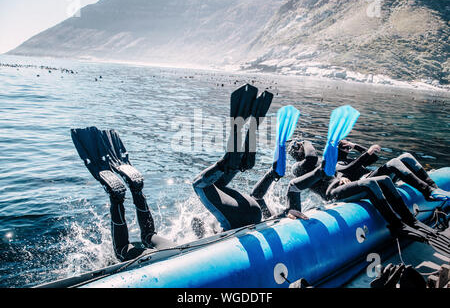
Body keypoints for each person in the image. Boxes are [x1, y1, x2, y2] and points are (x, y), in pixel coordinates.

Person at [284, 138, 450, 257]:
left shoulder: (323, 162)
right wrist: (303, 140)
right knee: (371, 183)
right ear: (296, 153)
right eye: (298, 147)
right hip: (333, 193)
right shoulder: (299, 167)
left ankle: (410, 220)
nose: (303, 148)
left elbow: (338, 170)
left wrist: (347, 162)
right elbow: (313, 158)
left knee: (384, 179)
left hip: (342, 186)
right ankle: (397, 224)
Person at [71, 127, 175, 262]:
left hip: (176, 251)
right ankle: (117, 198)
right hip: (172, 262)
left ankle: (134, 192)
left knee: (147, 237)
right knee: (134, 243)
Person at [192, 84, 277, 231]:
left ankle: (234, 163)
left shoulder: (211, 233)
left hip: (253, 211)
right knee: (199, 184)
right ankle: (232, 164)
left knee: (211, 185)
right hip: (242, 213)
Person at [336, 139, 450, 202]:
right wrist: (367, 152)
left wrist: (355, 145)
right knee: (393, 162)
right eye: (344, 147)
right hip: (368, 184)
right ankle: (428, 191)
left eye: (348, 147)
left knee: (406, 156)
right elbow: (349, 169)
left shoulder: (352, 159)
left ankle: (433, 188)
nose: (347, 149)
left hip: (378, 178)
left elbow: (374, 158)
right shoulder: (337, 164)